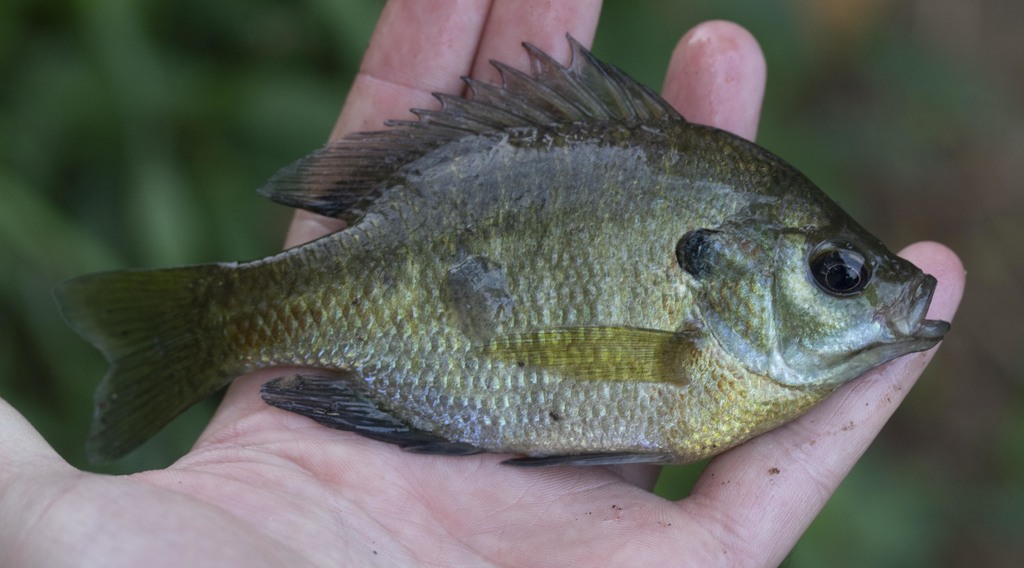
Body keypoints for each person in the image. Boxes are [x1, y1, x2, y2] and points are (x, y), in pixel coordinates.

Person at [0, 1, 965, 566]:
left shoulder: (721, 345)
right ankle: (201, 323)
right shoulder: (710, 362)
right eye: (834, 274)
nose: (876, 293)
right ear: (733, 267)